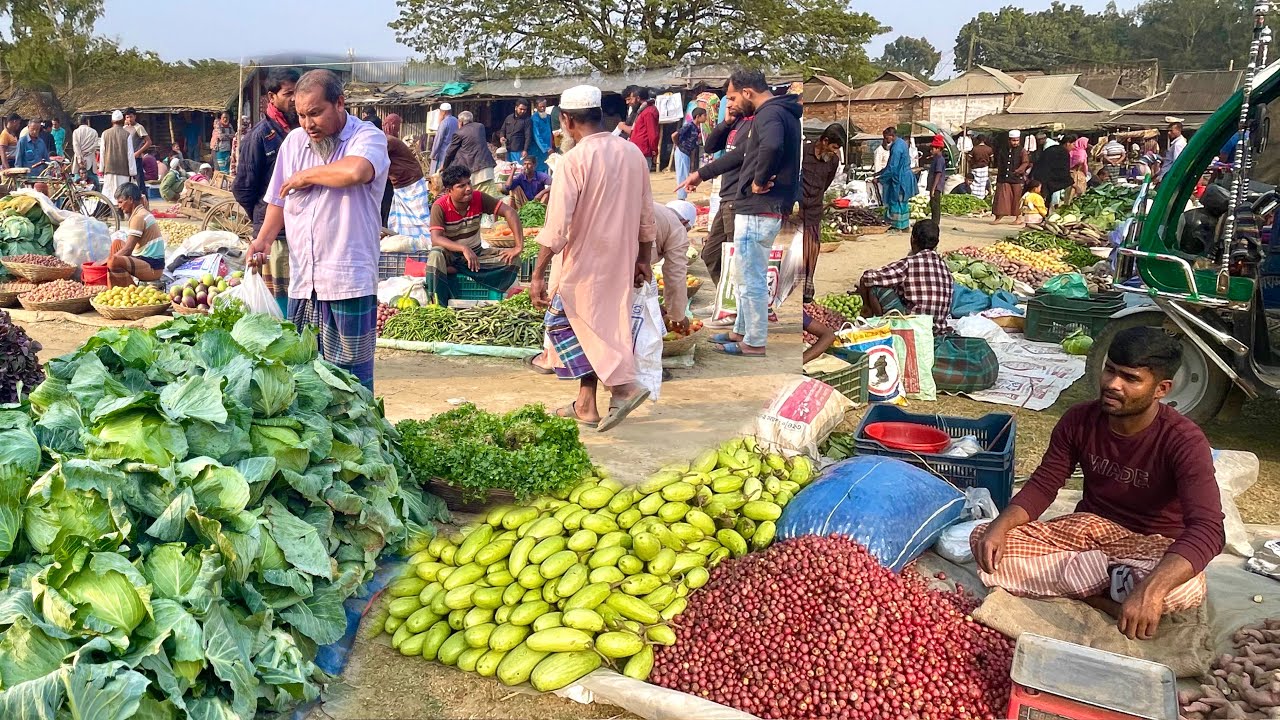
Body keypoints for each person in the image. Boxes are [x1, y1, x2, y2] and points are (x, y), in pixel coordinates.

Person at [971, 326, 1225, 640]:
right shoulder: (1079, 420)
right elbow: (1044, 484)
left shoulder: (1183, 441)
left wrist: (1153, 588)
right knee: (984, 538)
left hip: (1148, 548)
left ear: (1161, 388)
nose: (1113, 384)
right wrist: (1001, 525)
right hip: (1087, 535)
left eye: (1130, 378)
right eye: (1110, 370)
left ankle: (1095, 586)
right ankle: (1106, 596)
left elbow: (1209, 529)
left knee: (1188, 587)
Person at [246, 69, 390, 392]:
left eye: (315, 113)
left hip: (347, 283)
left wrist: (305, 176)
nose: (307, 124)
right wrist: (263, 240)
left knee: (351, 389)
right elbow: (278, 200)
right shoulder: (294, 143)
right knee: (304, 383)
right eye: (300, 115)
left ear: (339, 103)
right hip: (303, 283)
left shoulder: (366, 138)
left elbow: (356, 171)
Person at [526, 84, 655, 432]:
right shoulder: (632, 154)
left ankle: (623, 388)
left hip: (584, 262)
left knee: (564, 324)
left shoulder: (574, 160)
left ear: (567, 121)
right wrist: (643, 259)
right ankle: (585, 404)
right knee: (600, 328)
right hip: (622, 258)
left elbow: (556, 227)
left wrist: (537, 274)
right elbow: (647, 216)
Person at [678, 68, 801, 358]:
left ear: (748, 92)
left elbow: (771, 146)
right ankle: (741, 331)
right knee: (744, 275)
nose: (730, 104)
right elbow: (741, 153)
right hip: (761, 208)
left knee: (751, 278)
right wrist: (701, 174)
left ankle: (754, 341)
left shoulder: (770, 113)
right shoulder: (777, 113)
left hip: (758, 207)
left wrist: (759, 180)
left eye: (732, 98)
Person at [233, 67, 299, 315]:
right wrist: (263, 216)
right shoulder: (260, 136)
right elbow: (243, 188)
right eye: (288, 93)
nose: (294, 99)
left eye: (297, 93)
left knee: (299, 298)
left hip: (299, 229)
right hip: (275, 236)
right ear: (272, 97)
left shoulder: (300, 130)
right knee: (278, 305)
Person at [426, 165, 523, 306]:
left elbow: (510, 212)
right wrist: (463, 248)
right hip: (450, 257)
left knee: (513, 260)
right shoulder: (439, 206)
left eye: (469, 183)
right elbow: (436, 238)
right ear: (449, 191)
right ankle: (438, 305)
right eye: (461, 186)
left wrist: (518, 246)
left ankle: (457, 270)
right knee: (435, 255)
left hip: (476, 256)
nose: (468, 188)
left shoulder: (478, 198)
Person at [681, 106, 749, 289]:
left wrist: (701, 174)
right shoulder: (736, 122)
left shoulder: (757, 123)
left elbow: (738, 156)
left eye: (733, 99)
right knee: (710, 253)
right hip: (726, 196)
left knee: (736, 257)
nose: (729, 104)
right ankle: (725, 295)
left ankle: (737, 299)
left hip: (738, 197)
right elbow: (710, 146)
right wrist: (725, 123)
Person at [858, 219, 953, 334]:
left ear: (912, 240)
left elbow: (867, 277)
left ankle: (882, 329)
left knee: (875, 287)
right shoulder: (945, 267)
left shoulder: (908, 264)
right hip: (937, 331)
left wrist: (866, 304)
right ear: (936, 243)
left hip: (912, 330)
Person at [799, 124, 845, 304]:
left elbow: (826, 184)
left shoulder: (833, 162)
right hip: (797, 208)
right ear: (825, 141)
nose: (835, 152)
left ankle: (808, 285)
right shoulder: (803, 152)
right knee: (795, 252)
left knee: (812, 247)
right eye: (833, 147)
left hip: (814, 209)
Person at [384, 112, 434, 243]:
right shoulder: (388, 140)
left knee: (419, 217)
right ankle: (406, 239)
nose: (397, 130)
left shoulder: (389, 141)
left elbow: (373, 157)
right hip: (401, 184)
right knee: (401, 219)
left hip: (411, 182)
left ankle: (426, 240)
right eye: (397, 126)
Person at [105, 182, 166, 286]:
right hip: (144, 259)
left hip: (152, 268)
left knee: (113, 261)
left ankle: (128, 289)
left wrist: (105, 261)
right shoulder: (140, 212)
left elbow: (128, 249)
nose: (119, 206)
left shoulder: (138, 217)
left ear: (130, 199)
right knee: (117, 244)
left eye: (121, 202)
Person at [656, 200, 694, 328]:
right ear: (685, 222)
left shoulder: (656, 209)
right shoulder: (677, 227)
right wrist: (677, 314)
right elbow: (675, 273)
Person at [442, 111, 498, 196]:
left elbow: (450, 152)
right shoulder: (480, 127)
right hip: (487, 168)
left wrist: (444, 167)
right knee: (490, 197)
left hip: (474, 172)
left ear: (460, 122)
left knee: (475, 197)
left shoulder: (459, 133)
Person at [878, 128, 917, 231]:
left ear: (891, 136)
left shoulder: (896, 148)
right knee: (903, 201)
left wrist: (880, 179)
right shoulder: (902, 143)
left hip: (900, 178)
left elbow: (892, 167)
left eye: (886, 138)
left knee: (896, 200)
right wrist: (880, 172)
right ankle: (904, 225)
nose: (885, 140)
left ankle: (896, 225)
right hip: (905, 175)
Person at [992, 130, 1030, 224]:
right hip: (1004, 177)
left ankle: (1018, 217)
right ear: (1009, 140)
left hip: (1016, 178)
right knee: (1001, 198)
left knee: (1017, 198)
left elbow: (1025, 163)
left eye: (1017, 140)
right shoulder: (1003, 150)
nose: (1015, 142)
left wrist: (1018, 171)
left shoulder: (1022, 151)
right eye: (1013, 140)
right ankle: (998, 217)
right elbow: (1000, 163)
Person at [100, 110, 135, 202]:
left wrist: (101, 169)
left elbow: (102, 152)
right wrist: (132, 171)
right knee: (122, 195)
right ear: (122, 120)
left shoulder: (105, 134)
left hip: (109, 168)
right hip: (123, 169)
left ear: (112, 121)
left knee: (108, 196)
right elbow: (130, 154)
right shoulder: (127, 135)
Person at [673, 108, 706, 200]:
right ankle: (681, 197)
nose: (706, 118)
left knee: (685, 174)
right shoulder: (689, 126)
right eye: (704, 115)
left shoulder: (696, 128)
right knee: (682, 174)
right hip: (682, 151)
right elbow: (674, 135)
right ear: (698, 116)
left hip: (687, 153)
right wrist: (677, 144)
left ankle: (683, 197)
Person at [1030, 137, 1071, 210]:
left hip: (1039, 177)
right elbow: (1062, 171)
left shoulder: (1052, 149)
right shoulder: (1063, 152)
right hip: (1046, 180)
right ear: (1068, 143)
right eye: (1073, 144)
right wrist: (1072, 183)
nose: (1074, 147)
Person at [629, 88, 660, 170]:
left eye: (632, 98)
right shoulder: (643, 110)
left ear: (638, 98)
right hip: (638, 150)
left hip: (644, 151)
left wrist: (654, 151)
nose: (630, 102)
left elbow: (653, 134)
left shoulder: (649, 112)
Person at [124, 108, 152, 185]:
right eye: (127, 117)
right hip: (126, 158)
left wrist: (138, 153)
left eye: (131, 117)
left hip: (136, 158)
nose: (129, 119)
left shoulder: (138, 127)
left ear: (135, 117)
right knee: (126, 182)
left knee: (139, 181)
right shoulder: (124, 128)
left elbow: (148, 142)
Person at [500, 100, 532, 165]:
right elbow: (503, 130)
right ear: (516, 108)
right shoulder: (509, 118)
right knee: (508, 168)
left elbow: (528, 136)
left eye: (524, 110)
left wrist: (525, 150)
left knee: (518, 168)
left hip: (518, 151)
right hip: (507, 149)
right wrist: (502, 137)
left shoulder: (527, 120)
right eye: (521, 109)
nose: (522, 111)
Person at [71, 115, 99, 189]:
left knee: (77, 182)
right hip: (90, 160)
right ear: (87, 121)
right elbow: (95, 145)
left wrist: (80, 157)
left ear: (78, 122)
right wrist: (87, 152)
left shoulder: (76, 132)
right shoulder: (94, 132)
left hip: (79, 161)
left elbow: (76, 146)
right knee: (94, 182)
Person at [430, 103, 457, 175]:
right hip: (454, 153)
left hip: (443, 154)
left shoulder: (444, 123)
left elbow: (438, 139)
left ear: (444, 112)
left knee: (438, 174)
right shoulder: (456, 120)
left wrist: (433, 154)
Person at [927, 134, 947, 225]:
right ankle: (934, 222)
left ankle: (935, 223)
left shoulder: (939, 159)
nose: (931, 150)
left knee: (935, 206)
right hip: (934, 186)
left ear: (938, 149)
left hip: (936, 186)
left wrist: (933, 188)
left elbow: (938, 174)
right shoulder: (936, 158)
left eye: (933, 148)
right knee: (933, 205)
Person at [529, 98, 553, 172]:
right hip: (538, 149)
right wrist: (546, 148)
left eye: (544, 106)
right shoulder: (534, 118)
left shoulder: (548, 117)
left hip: (549, 146)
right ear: (536, 107)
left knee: (547, 166)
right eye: (540, 107)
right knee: (538, 168)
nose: (542, 108)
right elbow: (537, 136)